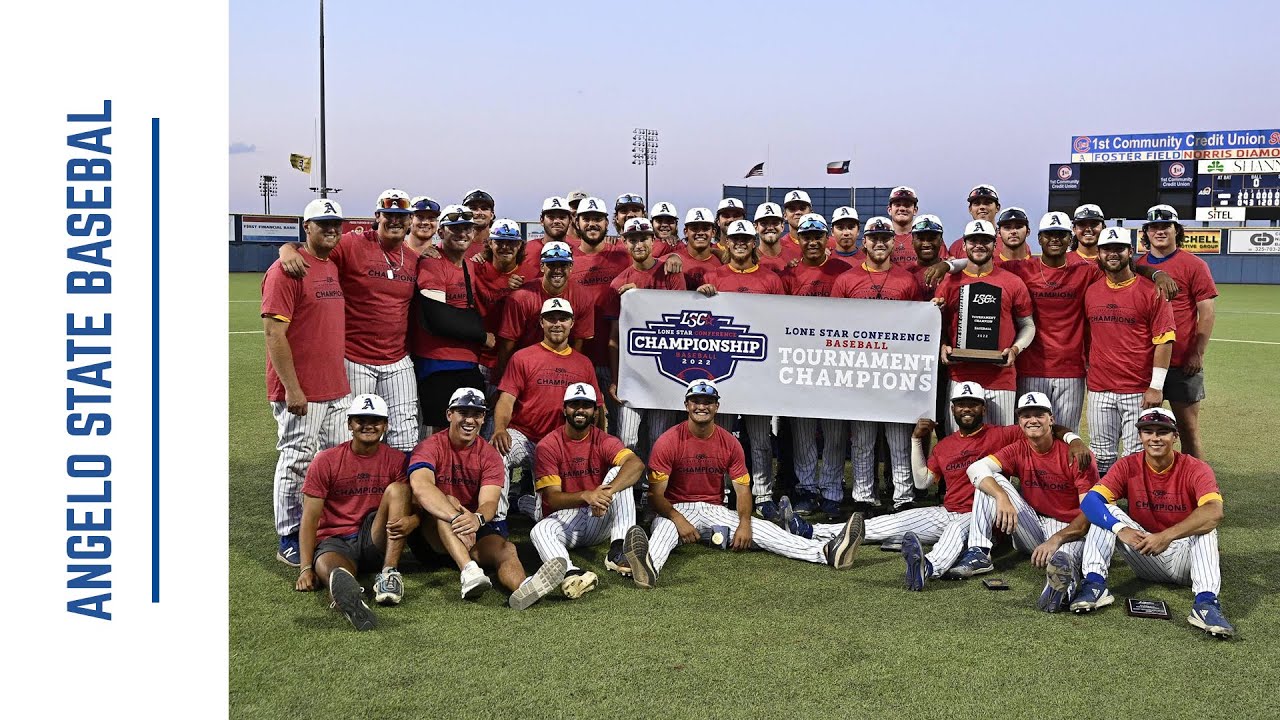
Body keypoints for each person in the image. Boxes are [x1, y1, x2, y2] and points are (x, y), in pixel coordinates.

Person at [619, 380, 866, 589]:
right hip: (676, 508)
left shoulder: (729, 442)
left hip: (713, 508)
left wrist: (745, 524)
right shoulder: (668, 441)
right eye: (696, 401)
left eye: (707, 402)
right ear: (686, 405)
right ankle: (647, 569)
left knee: (765, 531)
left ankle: (826, 553)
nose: (701, 406)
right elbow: (655, 496)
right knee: (663, 534)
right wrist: (677, 518)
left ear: (717, 406)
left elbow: (742, 488)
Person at [278, 188, 421, 452]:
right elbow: (312, 250)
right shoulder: (352, 243)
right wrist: (287, 249)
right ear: (377, 216)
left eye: (402, 216)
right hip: (355, 358)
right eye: (389, 215)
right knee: (353, 434)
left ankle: (398, 492)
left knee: (405, 435)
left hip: (398, 359)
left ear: (410, 220)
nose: (395, 221)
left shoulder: (414, 258)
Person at [1073, 408, 1234, 638]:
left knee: (1206, 527)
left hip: (1184, 558)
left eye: (1163, 432)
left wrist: (1167, 535)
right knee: (1105, 510)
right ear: (1140, 436)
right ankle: (1095, 585)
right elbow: (1090, 502)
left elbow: (1214, 512)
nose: (1155, 438)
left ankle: (1205, 603)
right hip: (1144, 549)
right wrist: (1121, 528)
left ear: (1175, 437)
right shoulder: (1127, 465)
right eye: (1148, 431)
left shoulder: (1195, 468)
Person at [407, 387, 567, 609]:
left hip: (471, 530)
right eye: (463, 412)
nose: (470, 420)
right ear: (449, 414)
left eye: (477, 414)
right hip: (432, 536)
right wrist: (456, 519)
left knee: (506, 549)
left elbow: (490, 502)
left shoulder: (489, 454)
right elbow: (421, 486)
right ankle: (469, 572)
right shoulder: (430, 446)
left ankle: (524, 587)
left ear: (483, 418)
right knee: (449, 500)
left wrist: (477, 520)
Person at [262, 198, 352, 567]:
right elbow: (272, 333)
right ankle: (289, 535)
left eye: (336, 225)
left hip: (335, 386)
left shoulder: (330, 265)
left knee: (333, 461)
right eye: (322, 224)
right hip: (301, 389)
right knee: (297, 460)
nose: (331, 230)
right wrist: (292, 388)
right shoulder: (286, 271)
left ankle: (324, 529)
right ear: (306, 228)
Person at [965, 392, 1100, 611]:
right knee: (990, 480)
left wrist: (1057, 538)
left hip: (1071, 528)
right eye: (1026, 416)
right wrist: (1001, 496)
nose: (1032, 420)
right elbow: (975, 468)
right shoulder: (1018, 448)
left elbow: (1089, 513)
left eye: (1039, 414)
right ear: (1019, 422)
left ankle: (1058, 592)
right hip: (1034, 525)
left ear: (1051, 419)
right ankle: (979, 552)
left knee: (1064, 558)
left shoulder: (1076, 455)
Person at [294, 394, 414, 630]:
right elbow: (309, 519)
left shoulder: (397, 460)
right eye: (361, 420)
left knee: (399, 489)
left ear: (385, 425)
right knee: (335, 573)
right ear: (349, 424)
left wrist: (413, 520)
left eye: (375, 420)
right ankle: (352, 602)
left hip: (373, 536)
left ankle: (389, 573)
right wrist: (306, 568)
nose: (368, 425)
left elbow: (413, 504)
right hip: (335, 541)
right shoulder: (326, 461)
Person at [831, 215, 923, 512]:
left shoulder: (906, 279)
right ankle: (864, 496)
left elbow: (919, 326)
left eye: (885, 237)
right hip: (860, 369)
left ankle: (903, 497)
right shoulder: (846, 279)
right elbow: (831, 324)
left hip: (896, 370)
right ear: (865, 241)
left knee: (898, 440)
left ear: (893, 241)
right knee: (863, 439)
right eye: (874, 237)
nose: (880, 242)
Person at [696, 219, 786, 519]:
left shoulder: (770, 279)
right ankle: (719, 493)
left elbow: (781, 322)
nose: (740, 243)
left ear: (753, 241)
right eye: (735, 238)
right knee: (719, 435)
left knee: (759, 438)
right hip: (721, 369)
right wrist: (702, 293)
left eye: (745, 239)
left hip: (757, 369)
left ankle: (762, 495)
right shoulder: (714, 276)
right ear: (726, 240)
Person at [529, 383, 648, 598]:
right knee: (539, 530)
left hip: (598, 516)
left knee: (619, 473)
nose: (580, 410)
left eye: (586, 406)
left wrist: (605, 495)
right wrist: (586, 495)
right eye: (575, 405)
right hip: (566, 518)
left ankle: (618, 549)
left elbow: (637, 464)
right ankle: (571, 574)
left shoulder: (604, 440)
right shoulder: (548, 445)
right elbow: (552, 498)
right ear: (564, 409)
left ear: (595, 411)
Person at [493, 298, 603, 522]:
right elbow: (506, 400)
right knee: (497, 451)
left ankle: (524, 501)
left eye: (563, 319)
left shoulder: (583, 363)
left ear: (572, 323)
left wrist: (598, 443)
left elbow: (597, 408)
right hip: (525, 436)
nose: (557, 324)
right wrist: (499, 428)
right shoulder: (523, 357)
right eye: (551, 319)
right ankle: (496, 522)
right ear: (541, 322)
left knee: (546, 517)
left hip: (560, 445)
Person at [1084, 226, 1175, 474]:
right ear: (1099, 254)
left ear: (1130, 252)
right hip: (1100, 388)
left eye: (1119, 249)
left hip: (1138, 389)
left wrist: (1156, 385)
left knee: (1135, 456)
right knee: (1101, 454)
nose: (1113, 254)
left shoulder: (1152, 291)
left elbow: (1164, 340)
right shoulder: (1091, 291)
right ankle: (1105, 507)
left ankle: (1135, 509)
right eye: (1107, 250)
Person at [933, 219, 1035, 429]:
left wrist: (1016, 349)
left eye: (985, 240)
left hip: (1000, 378)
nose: (979, 245)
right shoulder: (949, 282)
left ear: (994, 244)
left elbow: (1028, 326)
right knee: (960, 447)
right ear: (964, 244)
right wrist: (942, 345)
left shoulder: (1012, 281)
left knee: (1000, 449)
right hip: (960, 375)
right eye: (973, 240)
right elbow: (938, 325)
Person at [781, 215, 850, 517]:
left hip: (835, 359)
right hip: (800, 359)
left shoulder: (843, 271)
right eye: (806, 236)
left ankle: (833, 490)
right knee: (804, 431)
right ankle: (807, 490)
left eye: (817, 236)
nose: (811, 241)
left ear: (826, 238)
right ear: (799, 239)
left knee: (835, 430)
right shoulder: (789, 274)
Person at [1136, 205, 1217, 458]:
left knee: (1188, 430)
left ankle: (1200, 489)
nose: (1160, 231)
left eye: (1166, 226)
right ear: (1146, 233)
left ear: (1176, 230)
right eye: (1154, 227)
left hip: (1183, 362)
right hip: (1146, 364)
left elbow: (1207, 312)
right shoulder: (1138, 266)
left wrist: (1197, 352)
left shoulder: (1194, 264)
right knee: (1146, 431)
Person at [412, 208, 497, 434]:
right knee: (441, 435)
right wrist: (481, 335)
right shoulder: (433, 262)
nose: (462, 234)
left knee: (469, 433)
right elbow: (438, 318)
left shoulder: (468, 264)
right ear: (441, 231)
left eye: (467, 228)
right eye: (455, 229)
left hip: (467, 362)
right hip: (437, 363)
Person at [607, 217, 688, 451]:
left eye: (643, 238)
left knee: (658, 437)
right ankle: (628, 488)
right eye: (632, 240)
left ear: (653, 240)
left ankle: (655, 487)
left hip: (665, 368)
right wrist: (615, 379)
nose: (638, 244)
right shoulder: (619, 282)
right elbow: (614, 338)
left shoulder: (670, 271)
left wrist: (640, 297)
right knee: (628, 437)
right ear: (624, 242)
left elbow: (678, 319)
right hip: (632, 372)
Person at [493, 241, 594, 383]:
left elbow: (578, 344)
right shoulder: (521, 296)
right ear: (542, 266)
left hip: (562, 365)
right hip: (526, 366)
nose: (557, 270)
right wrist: (501, 381)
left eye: (563, 265)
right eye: (551, 264)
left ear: (571, 267)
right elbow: (507, 345)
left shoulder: (583, 296)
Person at [948, 184, 1001, 257]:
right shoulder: (957, 247)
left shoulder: (1009, 243)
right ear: (970, 209)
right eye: (977, 203)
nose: (982, 207)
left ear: (997, 208)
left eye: (987, 203)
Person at [754, 201, 798, 272]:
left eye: (775, 223)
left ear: (782, 226)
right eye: (764, 223)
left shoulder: (796, 257)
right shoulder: (749, 259)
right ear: (756, 227)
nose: (770, 227)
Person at [885, 186, 920, 264]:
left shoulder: (926, 237)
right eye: (897, 205)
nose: (902, 209)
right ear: (889, 210)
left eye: (907, 205)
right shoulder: (880, 239)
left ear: (915, 210)